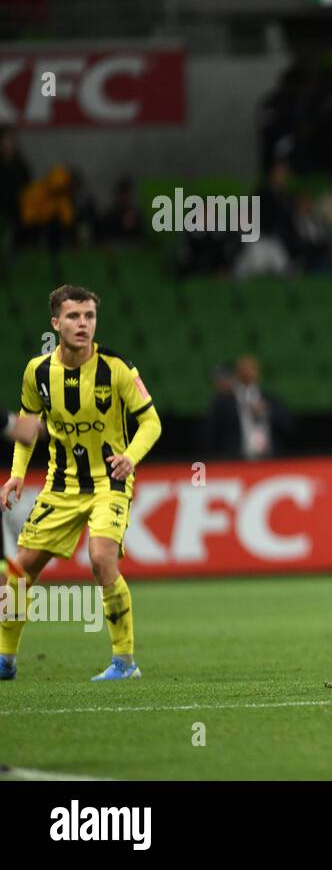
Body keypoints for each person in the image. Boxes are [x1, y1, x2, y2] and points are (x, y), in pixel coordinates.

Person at [0, 285, 162, 682]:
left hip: (110, 480)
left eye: (89, 316)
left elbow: (151, 422)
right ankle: (5, 659)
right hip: (62, 485)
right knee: (19, 569)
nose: (83, 324)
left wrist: (130, 457)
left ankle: (125, 662)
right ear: (55, 322)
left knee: (102, 557)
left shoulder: (118, 367)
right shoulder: (37, 372)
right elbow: (27, 428)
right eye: (73, 316)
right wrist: (18, 474)